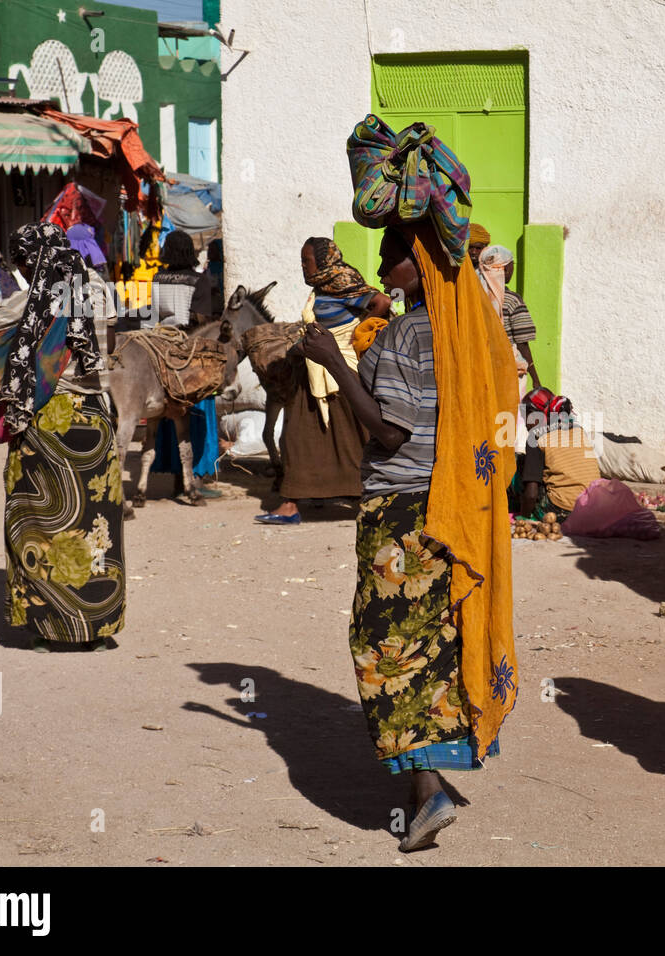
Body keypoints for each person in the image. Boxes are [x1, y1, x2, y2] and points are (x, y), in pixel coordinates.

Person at [298, 217, 518, 852]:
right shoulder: (472, 329)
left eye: (392, 253)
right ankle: (428, 784)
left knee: (381, 644)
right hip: (458, 507)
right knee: (431, 640)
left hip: (403, 509)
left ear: (420, 266)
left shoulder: (402, 335)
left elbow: (390, 433)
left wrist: (334, 362)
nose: (382, 262)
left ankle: (425, 791)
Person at [0, 222, 125, 652]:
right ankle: (95, 629)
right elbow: (111, 346)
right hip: (97, 424)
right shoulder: (101, 291)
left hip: (45, 425)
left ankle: (48, 629)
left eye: (23, 261)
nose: (24, 269)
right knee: (95, 527)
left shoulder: (28, 300)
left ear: (31, 259)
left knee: (36, 527)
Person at [256, 238, 392, 525]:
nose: (303, 266)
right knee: (298, 438)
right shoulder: (321, 287)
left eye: (307, 260)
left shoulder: (344, 281)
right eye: (302, 261)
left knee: (352, 439)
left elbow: (382, 302)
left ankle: (365, 498)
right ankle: (291, 502)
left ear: (323, 260)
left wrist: (355, 333)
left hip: (342, 374)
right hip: (314, 372)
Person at [149, 230, 221, 498]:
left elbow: (155, 314)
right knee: (198, 408)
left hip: (162, 348)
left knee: (168, 410)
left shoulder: (158, 278)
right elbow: (202, 319)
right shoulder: (199, 280)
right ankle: (197, 478)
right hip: (190, 352)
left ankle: (177, 478)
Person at [517, 388, 599, 520]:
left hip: (562, 511)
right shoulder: (578, 429)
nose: (526, 423)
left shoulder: (536, 437)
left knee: (518, 463)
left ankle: (520, 507)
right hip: (593, 506)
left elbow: (532, 494)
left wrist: (524, 518)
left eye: (527, 417)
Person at [478, 244, 541, 390]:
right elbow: (522, 344)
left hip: (479, 368)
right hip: (509, 370)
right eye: (512, 265)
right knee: (510, 412)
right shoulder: (512, 300)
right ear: (505, 269)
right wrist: (536, 380)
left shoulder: (473, 296)